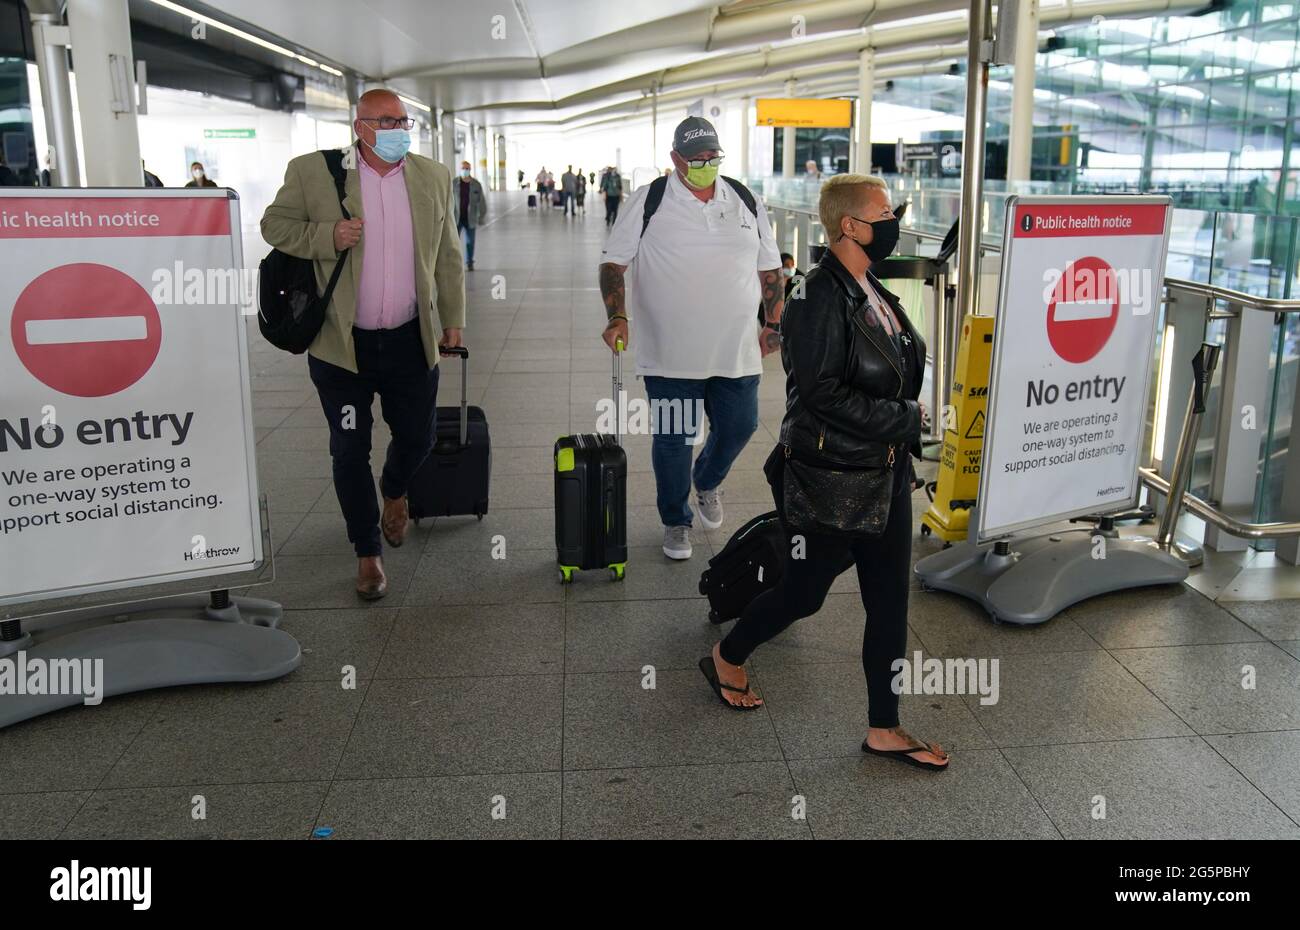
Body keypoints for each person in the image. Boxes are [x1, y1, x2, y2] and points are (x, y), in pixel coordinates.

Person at [699, 173, 948, 772]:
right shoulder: (815, 299)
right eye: (883, 212)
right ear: (849, 226)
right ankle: (728, 655)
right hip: (833, 480)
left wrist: (901, 426)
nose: (892, 222)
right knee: (804, 596)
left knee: (890, 607)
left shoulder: (874, 290)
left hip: (885, 477)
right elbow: (822, 394)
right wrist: (905, 417)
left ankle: (884, 727)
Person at [261, 88, 466, 600]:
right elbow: (273, 225)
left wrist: (453, 319)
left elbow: (447, 254)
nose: (398, 131)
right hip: (340, 346)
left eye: (404, 122)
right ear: (359, 127)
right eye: (386, 122)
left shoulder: (431, 177)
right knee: (349, 448)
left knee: (417, 437)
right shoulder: (314, 172)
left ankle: (394, 491)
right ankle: (367, 552)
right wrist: (327, 236)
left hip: (408, 339)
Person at [599, 117, 783, 561]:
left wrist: (773, 322)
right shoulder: (651, 200)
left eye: (712, 157)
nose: (705, 165)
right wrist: (617, 315)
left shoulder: (744, 199)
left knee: (739, 426)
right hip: (669, 355)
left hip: (735, 350)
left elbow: (770, 269)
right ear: (675, 158)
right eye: (696, 158)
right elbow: (612, 265)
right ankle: (676, 520)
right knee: (674, 440)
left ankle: (708, 479)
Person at [453, 159, 488, 270]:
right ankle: (454, 262)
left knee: (470, 242)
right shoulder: (454, 183)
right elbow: (447, 200)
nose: (465, 170)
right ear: (460, 169)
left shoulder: (476, 184)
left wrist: (481, 216)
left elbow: (481, 201)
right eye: (463, 168)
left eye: (467, 168)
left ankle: (469, 262)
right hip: (456, 218)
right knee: (453, 243)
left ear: (470, 170)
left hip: (470, 218)